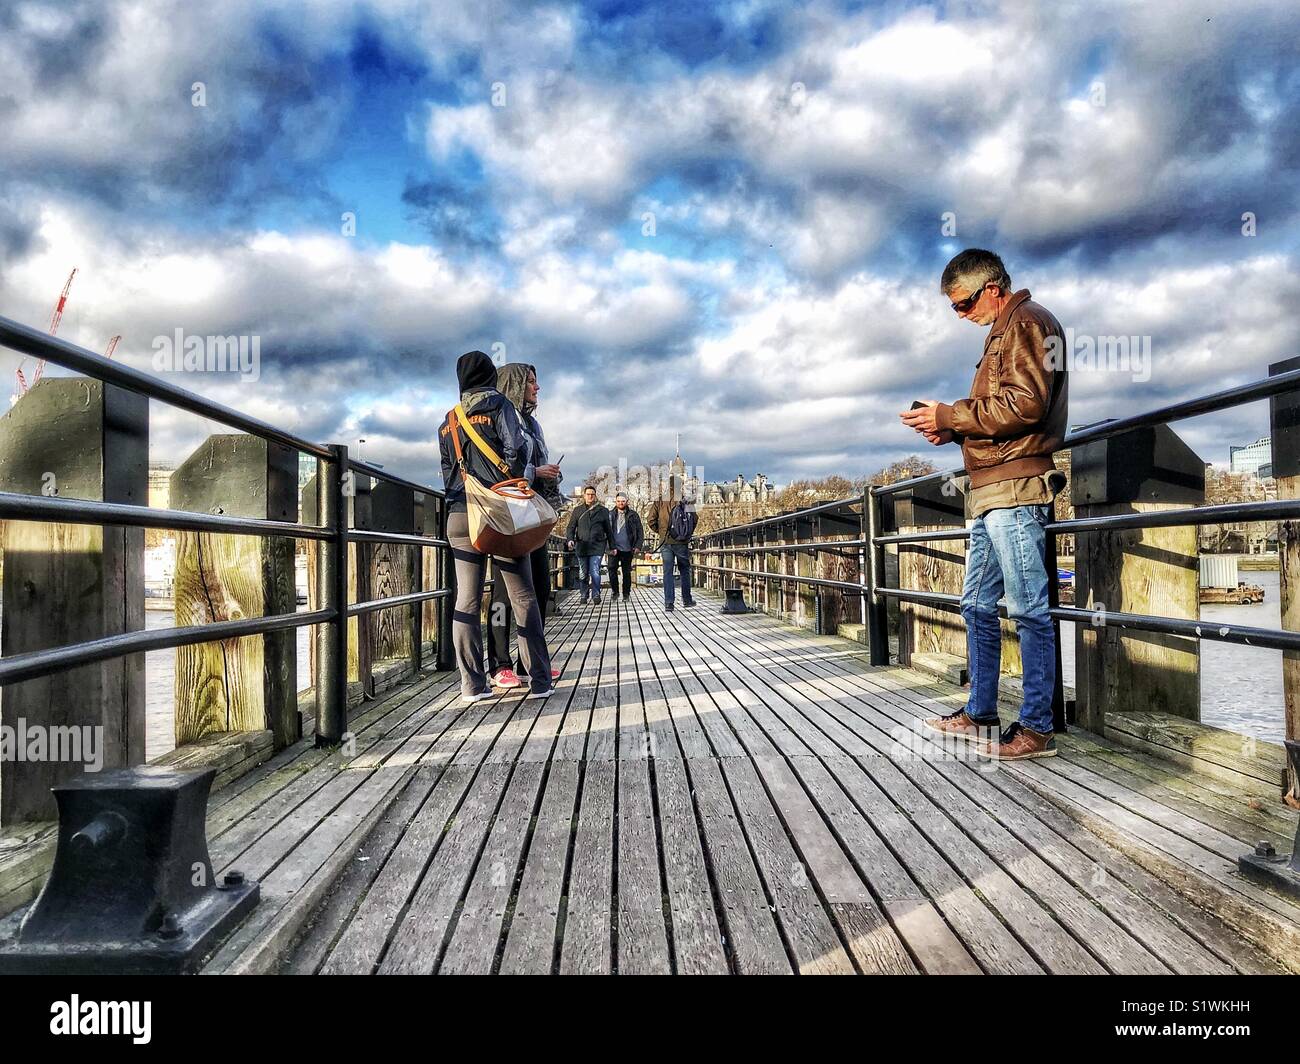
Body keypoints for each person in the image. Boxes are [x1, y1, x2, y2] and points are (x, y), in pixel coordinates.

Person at [900, 248, 1068, 761]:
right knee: (976, 604)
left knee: (1029, 610)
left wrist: (951, 414)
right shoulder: (1006, 329)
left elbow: (1027, 404)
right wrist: (951, 428)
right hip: (992, 489)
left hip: (1016, 489)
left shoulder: (1027, 323)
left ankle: (1036, 728)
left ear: (992, 289)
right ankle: (981, 713)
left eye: (964, 303)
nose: (960, 314)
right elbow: (1004, 411)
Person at [438, 350, 554, 701]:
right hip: (499, 514)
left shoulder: (448, 421)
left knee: (467, 599)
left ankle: (473, 685)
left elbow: (447, 474)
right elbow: (516, 455)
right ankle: (538, 680)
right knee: (523, 596)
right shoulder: (500, 406)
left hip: (461, 515)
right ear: (491, 376)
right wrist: (515, 477)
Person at [486, 363, 564, 689]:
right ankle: (500, 664)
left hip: (532, 513)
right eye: (531, 382)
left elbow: (534, 463)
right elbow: (502, 468)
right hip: (508, 513)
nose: (537, 387)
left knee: (541, 587)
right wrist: (535, 472)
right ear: (515, 385)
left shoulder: (532, 424)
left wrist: (551, 476)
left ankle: (530, 661)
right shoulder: (500, 419)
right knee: (504, 592)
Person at [647, 473, 696, 611]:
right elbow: (694, 520)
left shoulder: (659, 501)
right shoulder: (686, 501)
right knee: (684, 570)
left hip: (666, 541)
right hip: (681, 541)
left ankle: (669, 602)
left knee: (667, 572)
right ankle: (687, 599)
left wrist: (661, 532)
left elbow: (650, 520)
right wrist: (686, 534)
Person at [566, 485, 612, 604]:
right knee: (583, 573)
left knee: (595, 571)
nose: (590, 496)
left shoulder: (603, 511)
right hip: (582, 546)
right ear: (584, 495)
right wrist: (570, 539)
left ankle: (596, 595)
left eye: (592, 494)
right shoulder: (577, 510)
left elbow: (608, 530)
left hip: (597, 546)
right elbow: (571, 527)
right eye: (588, 494)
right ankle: (584, 594)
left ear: (595, 496)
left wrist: (612, 546)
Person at [607, 491, 644, 600]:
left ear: (627, 501)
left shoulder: (633, 515)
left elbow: (640, 531)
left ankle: (626, 594)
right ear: (615, 501)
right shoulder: (610, 514)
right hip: (613, 548)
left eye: (623, 501)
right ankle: (615, 592)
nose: (621, 503)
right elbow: (605, 532)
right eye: (618, 501)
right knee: (611, 570)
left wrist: (638, 546)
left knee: (626, 572)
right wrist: (608, 547)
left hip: (628, 548)